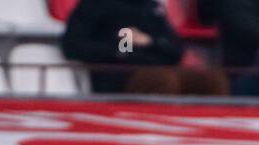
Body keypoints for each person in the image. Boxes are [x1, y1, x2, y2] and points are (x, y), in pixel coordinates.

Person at [60, 0, 228, 95]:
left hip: (159, 66)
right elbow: (73, 45)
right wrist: (119, 51)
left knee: (211, 80)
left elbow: (175, 49)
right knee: (161, 80)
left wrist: (149, 41)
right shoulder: (95, 5)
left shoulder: (150, 7)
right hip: (118, 74)